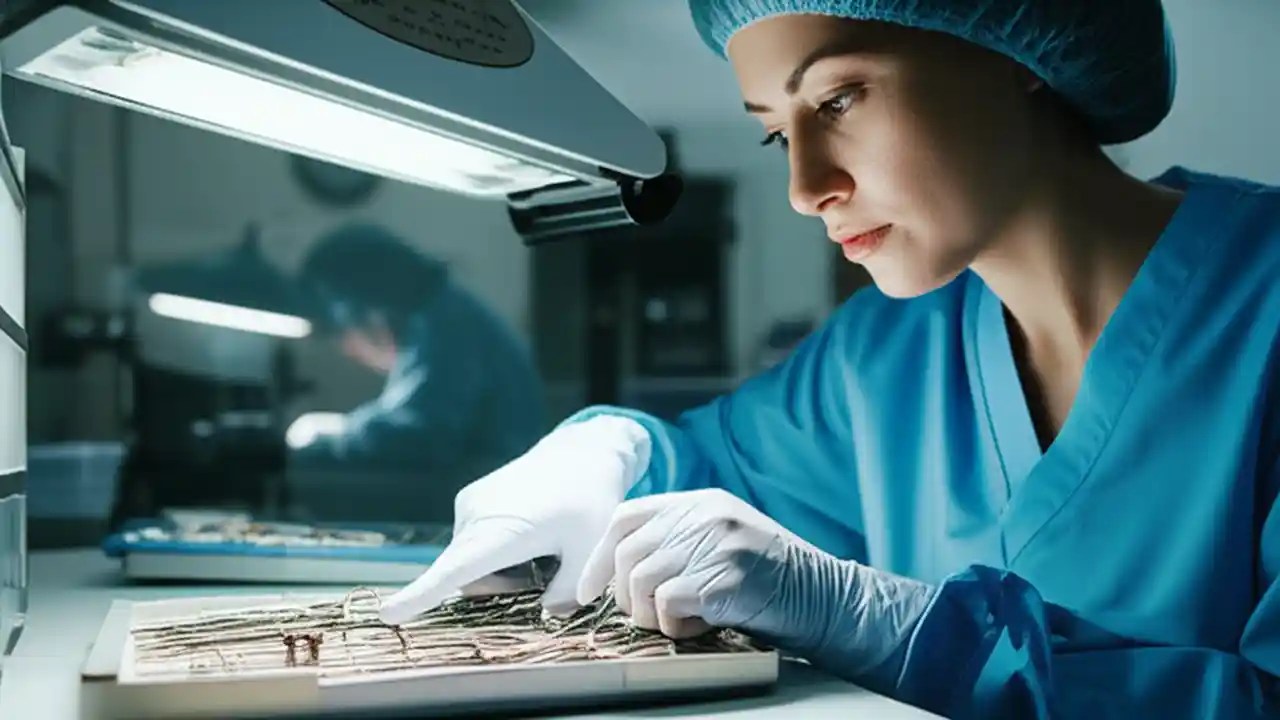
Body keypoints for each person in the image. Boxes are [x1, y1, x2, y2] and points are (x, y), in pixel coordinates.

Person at [377, 2, 1280, 717]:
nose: (807, 189)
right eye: (777, 132)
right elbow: (710, 471)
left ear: (1013, 51)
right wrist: (601, 454)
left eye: (838, 100)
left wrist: (881, 623)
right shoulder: (885, 355)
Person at [291, 224, 546, 513]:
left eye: (344, 336)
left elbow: (420, 438)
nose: (350, 352)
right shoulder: (442, 317)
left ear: (366, 309)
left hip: (487, 509)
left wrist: (335, 435)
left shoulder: (447, 326)